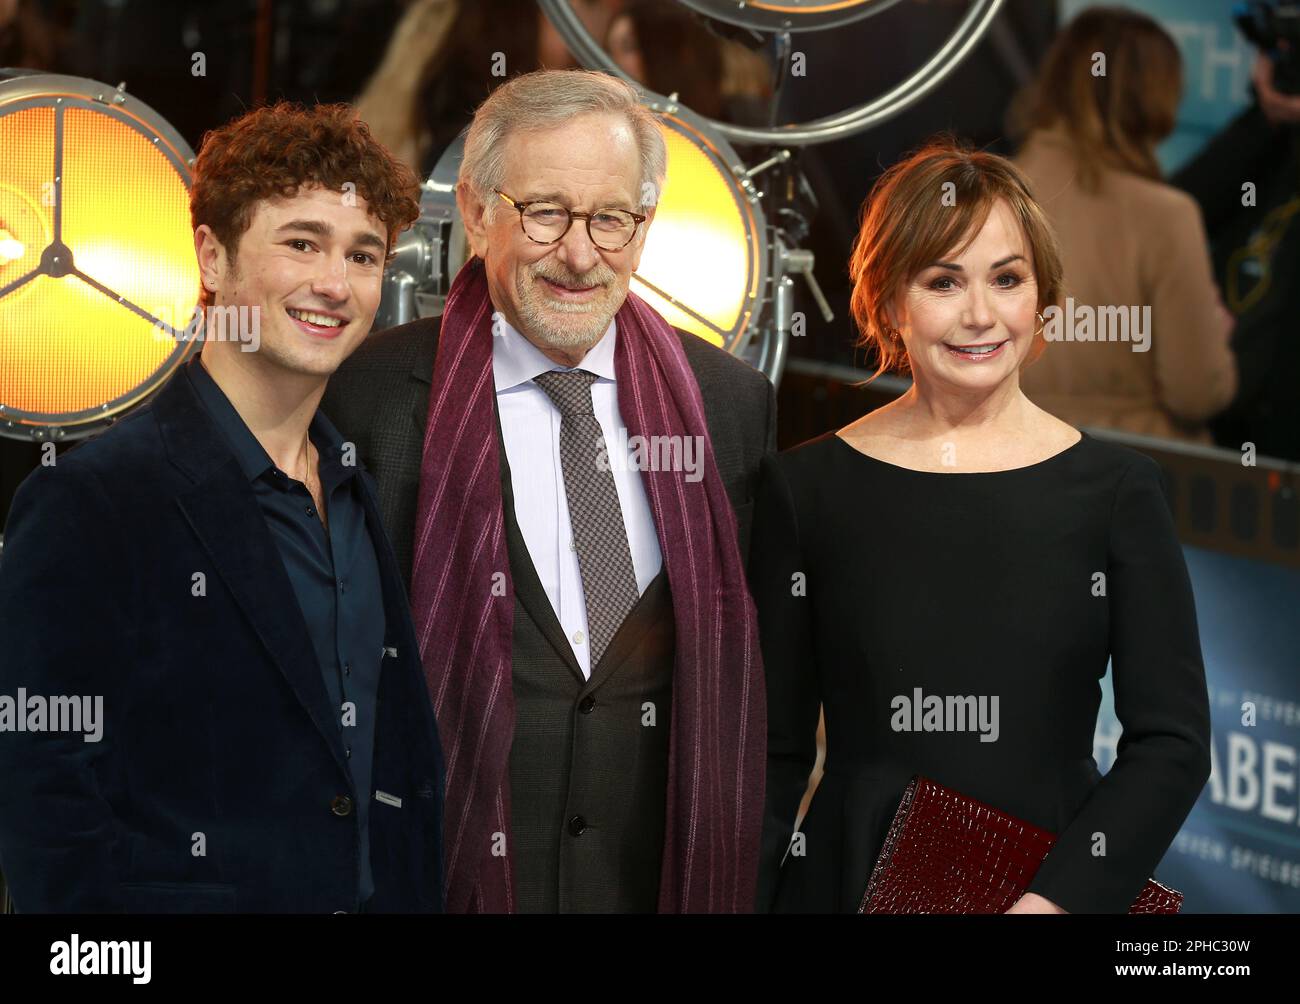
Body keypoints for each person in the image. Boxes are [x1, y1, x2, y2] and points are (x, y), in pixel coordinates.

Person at [323, 69, 774, 913]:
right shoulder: (371, 397)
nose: (579, 253)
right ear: (475, 210)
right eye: (545, 212)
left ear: (644, 228)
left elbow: (760, 689)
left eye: (611, 219)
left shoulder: (730, 405)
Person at [0, 102, 444, 913]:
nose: (334, 284)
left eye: (363, 254)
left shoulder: (353, 483)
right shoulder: (90, 499)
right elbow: (43, 800)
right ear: (212, 255)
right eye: (302, 242)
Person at [749, 138, 1212, 914]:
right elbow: (772, 752)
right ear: (890, 300)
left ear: (1041, 300)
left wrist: (1055, 903)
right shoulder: (806, 489)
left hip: (1047, 882)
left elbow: (1171, 745)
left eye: (1007, 279)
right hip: (847, 881)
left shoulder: (1117, 491)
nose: (980, 314)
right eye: (943, 281)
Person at [1011, 6, 1237, 444]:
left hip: (998, 471)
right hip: (1138, 482)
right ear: (1154, 98)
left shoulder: (980, 197)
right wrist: (1213, 335)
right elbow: (1197, 393)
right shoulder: (1167, 215)